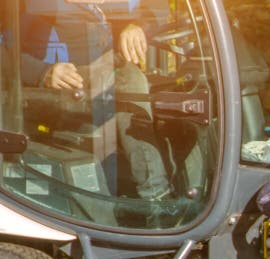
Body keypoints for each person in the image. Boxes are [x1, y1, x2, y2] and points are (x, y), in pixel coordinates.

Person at [21, 0, 171, 201]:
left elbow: (157, 7)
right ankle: (156, 195)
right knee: (129, 78)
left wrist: (138, 25)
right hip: (48, 96)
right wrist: (42, 72)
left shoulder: (109, 5)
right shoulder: (31, 6)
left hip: (99, 86)